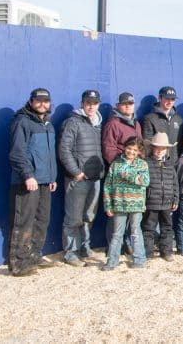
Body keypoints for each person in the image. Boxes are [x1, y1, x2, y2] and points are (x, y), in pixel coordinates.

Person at [8, 88, 59, 276]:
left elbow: (49, 154)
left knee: (41, 220)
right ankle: (19, 264)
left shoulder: (47, 124)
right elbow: (17, 153)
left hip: (46, 181)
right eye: (38, 100)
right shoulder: (22, 121)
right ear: (30, 101)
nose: (42, 104)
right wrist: (27, 175)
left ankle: (34, 255)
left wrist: (52, 177)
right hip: (27, 182)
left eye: (46, 101)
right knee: (24, 222)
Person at [57, 89, 105, 267]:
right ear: (82, 103)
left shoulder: (97, 123)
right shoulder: (72, 122)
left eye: (94, 103)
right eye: (88, 102)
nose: (91, 106)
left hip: (95, 178)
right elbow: (64, 150)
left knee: (88, 216)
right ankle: (71, 252)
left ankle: (85, 247)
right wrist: (76, 171)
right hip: (77, 179)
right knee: (73, 217)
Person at [102, 137, 149, 271]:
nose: (131, 152)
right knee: (117, 234)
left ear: (139, 151)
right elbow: (107, 186)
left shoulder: (142, 164)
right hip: (119, 204)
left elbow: (145, 181)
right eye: (129, 148)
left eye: (135, 150)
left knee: (135, 232)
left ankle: (139, 259)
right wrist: (108, 205)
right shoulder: (116, 164)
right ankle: (112, 261)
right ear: (124, 148)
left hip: (136, 205)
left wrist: (127, 175)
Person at [142, 132, 179, 261]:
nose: (159, 151)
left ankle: (166, 252)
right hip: (151, 202)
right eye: (157, 148)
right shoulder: (146, 163)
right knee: (148, 228)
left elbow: (175, 183)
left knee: (167, 228)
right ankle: (148, 252)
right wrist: (144, 200)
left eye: (162, 148)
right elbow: (143, 185)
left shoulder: (169, 164)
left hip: (167, 202)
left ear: (166, 150)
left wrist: (176, 198)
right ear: (152, 148)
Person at [102, 92, 142, 164]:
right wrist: (121, 166)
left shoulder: (137, 124)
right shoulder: (113, 124)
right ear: (117, 105)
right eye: (124, 104)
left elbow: (140, 146)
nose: (128, 106)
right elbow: (108, 150)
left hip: (136, 167)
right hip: (121, 169)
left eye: (130, 103)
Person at [142, 86, 183, 154]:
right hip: (157, 161)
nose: (170, 102)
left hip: (174, 162)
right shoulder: (149, 118)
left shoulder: (178, 119)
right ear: (159, 98)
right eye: (167, 98)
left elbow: (180, 142)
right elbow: (147, 143)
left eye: (172, 99)